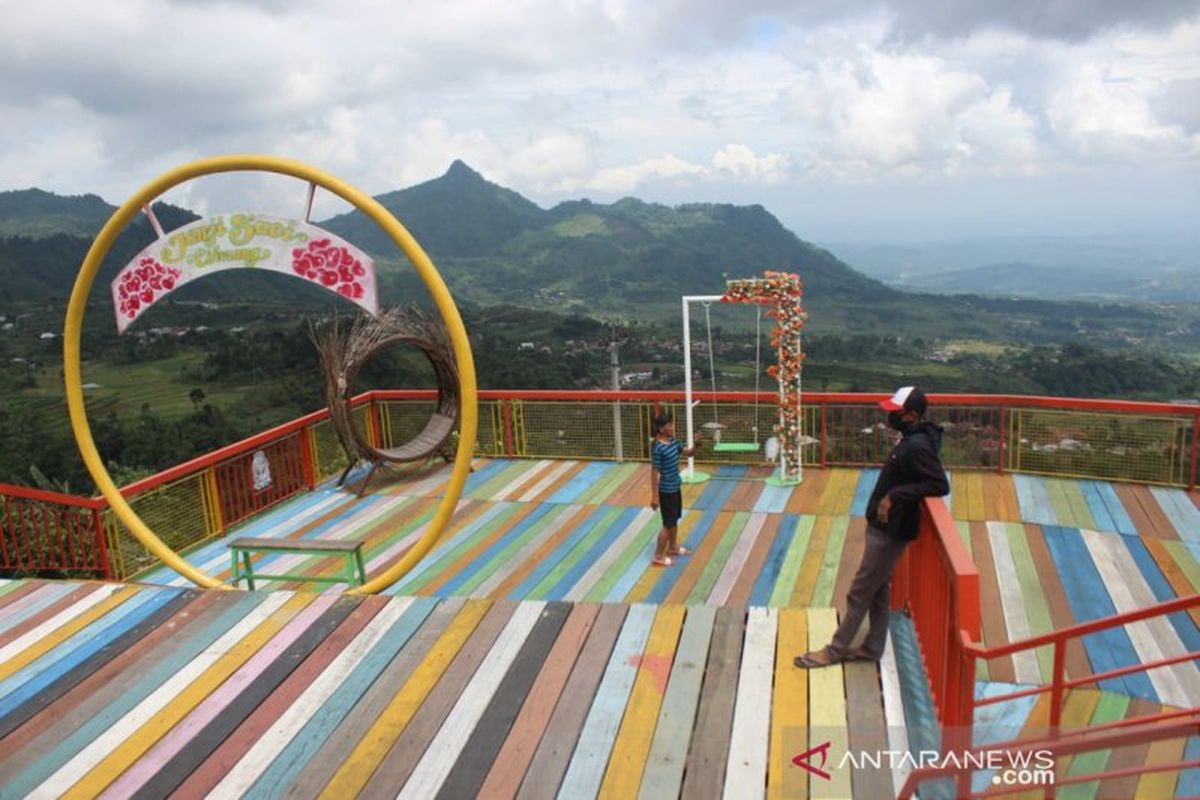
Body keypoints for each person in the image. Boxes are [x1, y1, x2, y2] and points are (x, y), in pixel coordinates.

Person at [794, 386, 949, 668]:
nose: (890, 415)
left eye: (895, 411)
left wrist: (894, 496)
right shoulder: (913, 437)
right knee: (878, 589)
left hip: (891, 532)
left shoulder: (916, 446)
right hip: (885, 527)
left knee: (860, 591)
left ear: (912, 415)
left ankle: (834, 650)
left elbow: (939, 484)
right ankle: (872, 648)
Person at [650, 413, 700, 567]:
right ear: (661, 429)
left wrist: (697, 444)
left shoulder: (674, 442)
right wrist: (655, 497)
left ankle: (672, 547)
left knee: (675, 520)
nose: (672, 427)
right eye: (669, 425)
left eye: (672, 424)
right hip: (666, 491)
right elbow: (654, 473)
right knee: (667, 523)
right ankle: (658, 556)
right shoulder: (658, 448)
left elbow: (688, 453)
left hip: (675, 487)